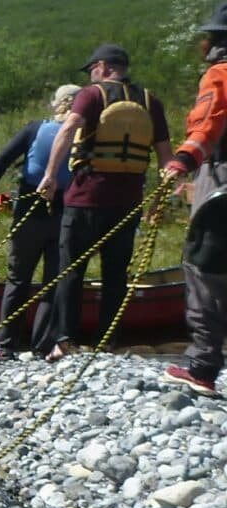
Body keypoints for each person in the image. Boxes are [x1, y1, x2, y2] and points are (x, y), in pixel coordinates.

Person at [36, 43, 172, 359]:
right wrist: (160, 200)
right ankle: (108, 340)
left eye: (91, 69)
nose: (90, 75)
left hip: (85, 199)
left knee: (71, 270)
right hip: (128, 203)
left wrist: (50, 175)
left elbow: (68, 129)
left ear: (103, 67)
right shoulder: (150, 101)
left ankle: (65, 340)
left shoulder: (91, 95)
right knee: (115, 274)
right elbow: (166, 156)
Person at [0, 83, 81, 357]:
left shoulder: (35, 129)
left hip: (28, 212)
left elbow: (1, 161)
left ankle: (5, 346)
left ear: (56, 103)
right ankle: (41, 348)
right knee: (52, 283)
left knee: (18, 280)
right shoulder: (86, 136)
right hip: (65, 215)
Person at [159, 1, 227, 396]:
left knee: (203, 266)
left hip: (220, 183)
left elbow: (209, 122)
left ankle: (202, 368)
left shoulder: (220, 73)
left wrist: (183, 160)